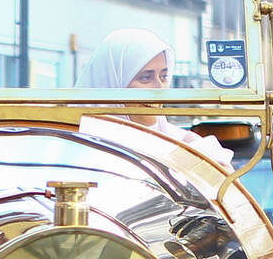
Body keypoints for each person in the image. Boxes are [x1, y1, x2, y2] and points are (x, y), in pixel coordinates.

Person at [76, 28, 235, 169]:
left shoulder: (188, 145)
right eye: (145, 78)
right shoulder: (79, 145)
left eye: (164, 76)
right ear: (112, 83)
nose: (159, 88)